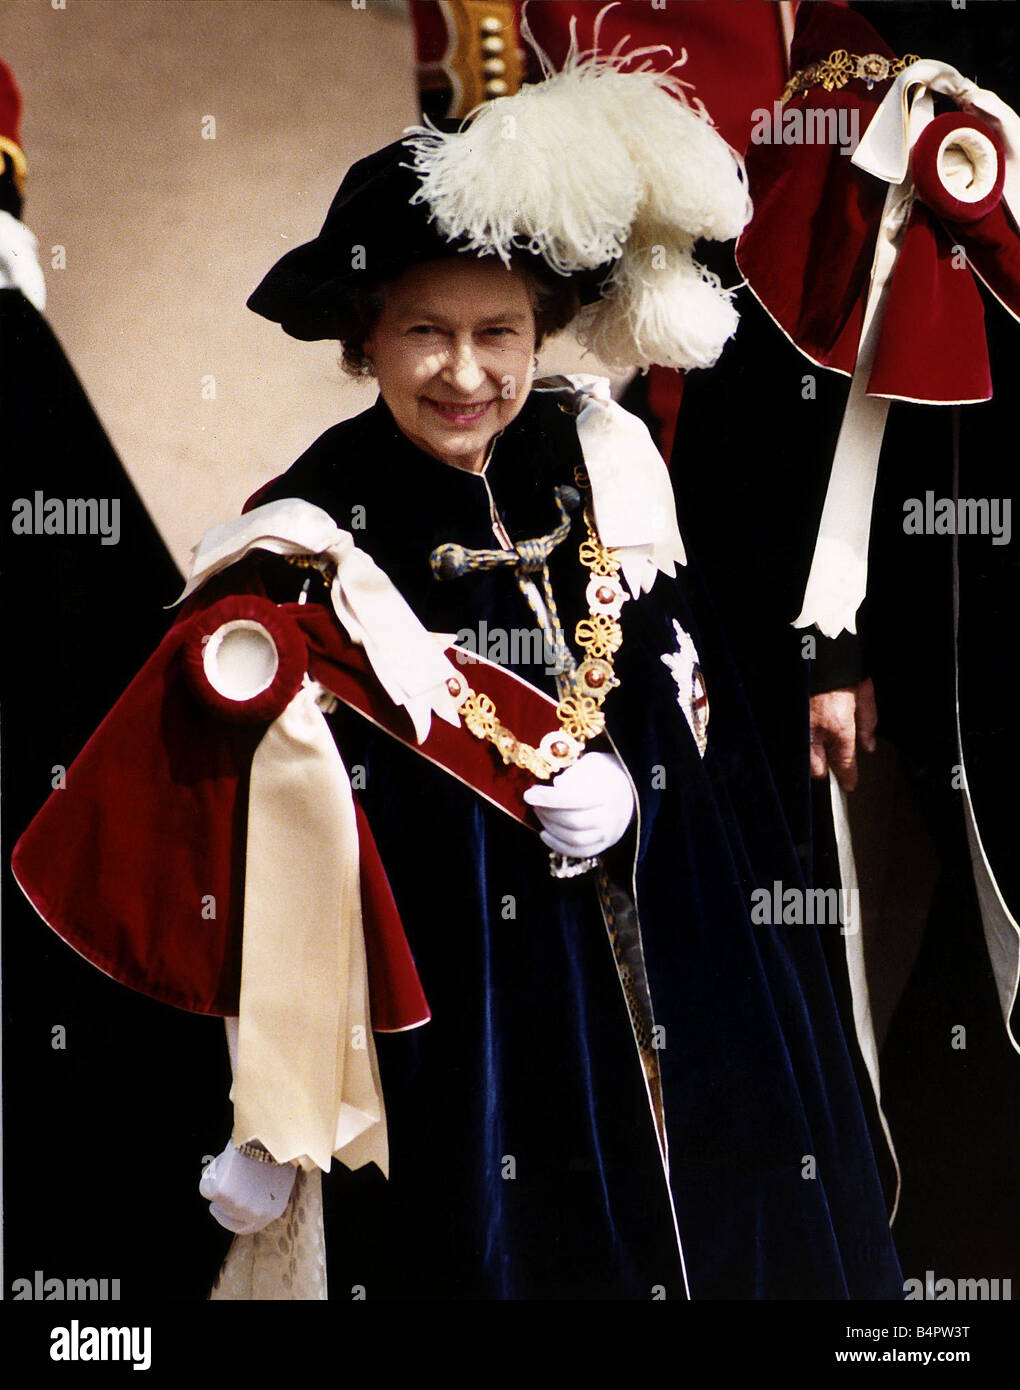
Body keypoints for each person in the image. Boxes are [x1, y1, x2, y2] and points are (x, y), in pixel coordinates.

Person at [13, 40, 903, 1300]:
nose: (466, 372)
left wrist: (637, 792)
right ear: (363, 342)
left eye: (499, 331)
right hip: (469, 1032)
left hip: (684, 991)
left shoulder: (610, 462)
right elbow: (226, 844)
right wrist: (273, 1112)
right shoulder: (302, 540)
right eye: (424, 331)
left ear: (542, 329)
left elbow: (700, 726)